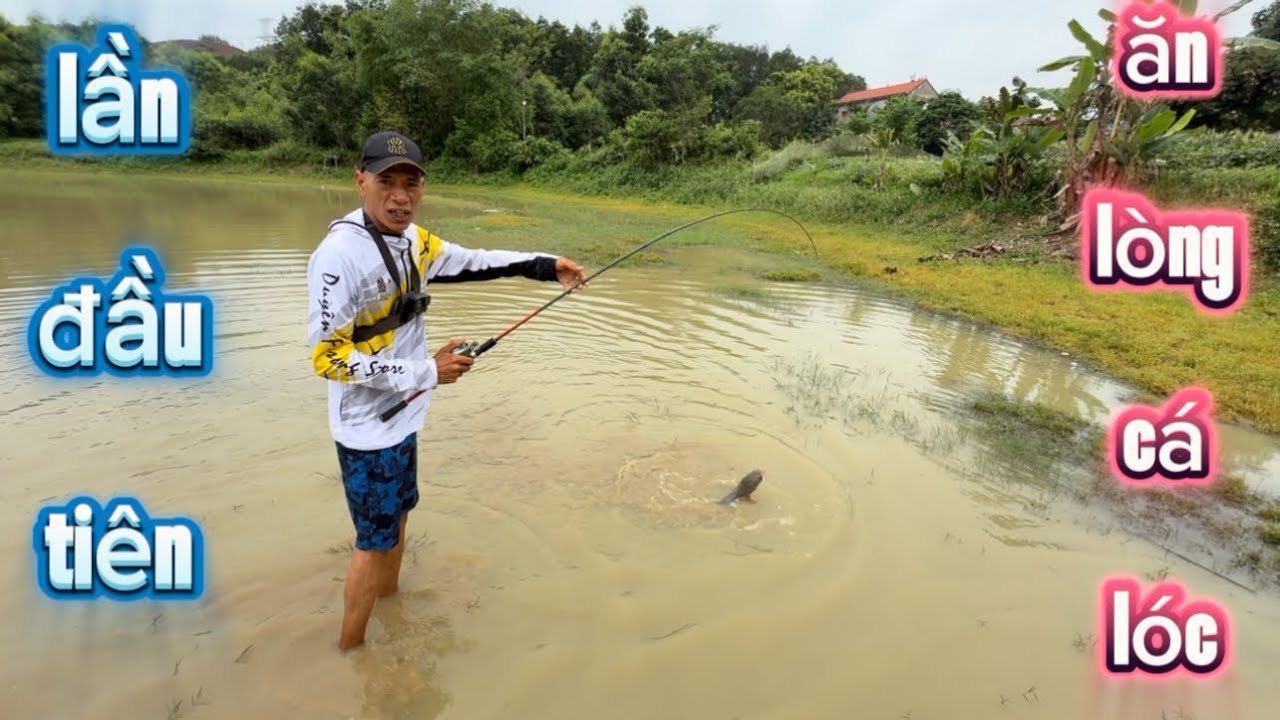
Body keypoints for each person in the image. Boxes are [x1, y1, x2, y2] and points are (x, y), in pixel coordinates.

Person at [306, 130, 587, 652]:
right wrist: (425, 372)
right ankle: (350, 654)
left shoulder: (415, 242)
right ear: (361, 181)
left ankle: (392, 602)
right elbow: (328, 357)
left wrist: (546, 266)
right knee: (373, 542)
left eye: (410, 183)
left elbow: (473, 261)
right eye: (386, 182)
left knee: (401, 514)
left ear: (422, 188)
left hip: (404, 415)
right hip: (368, 428)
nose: (399, 196)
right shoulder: (337, 257)